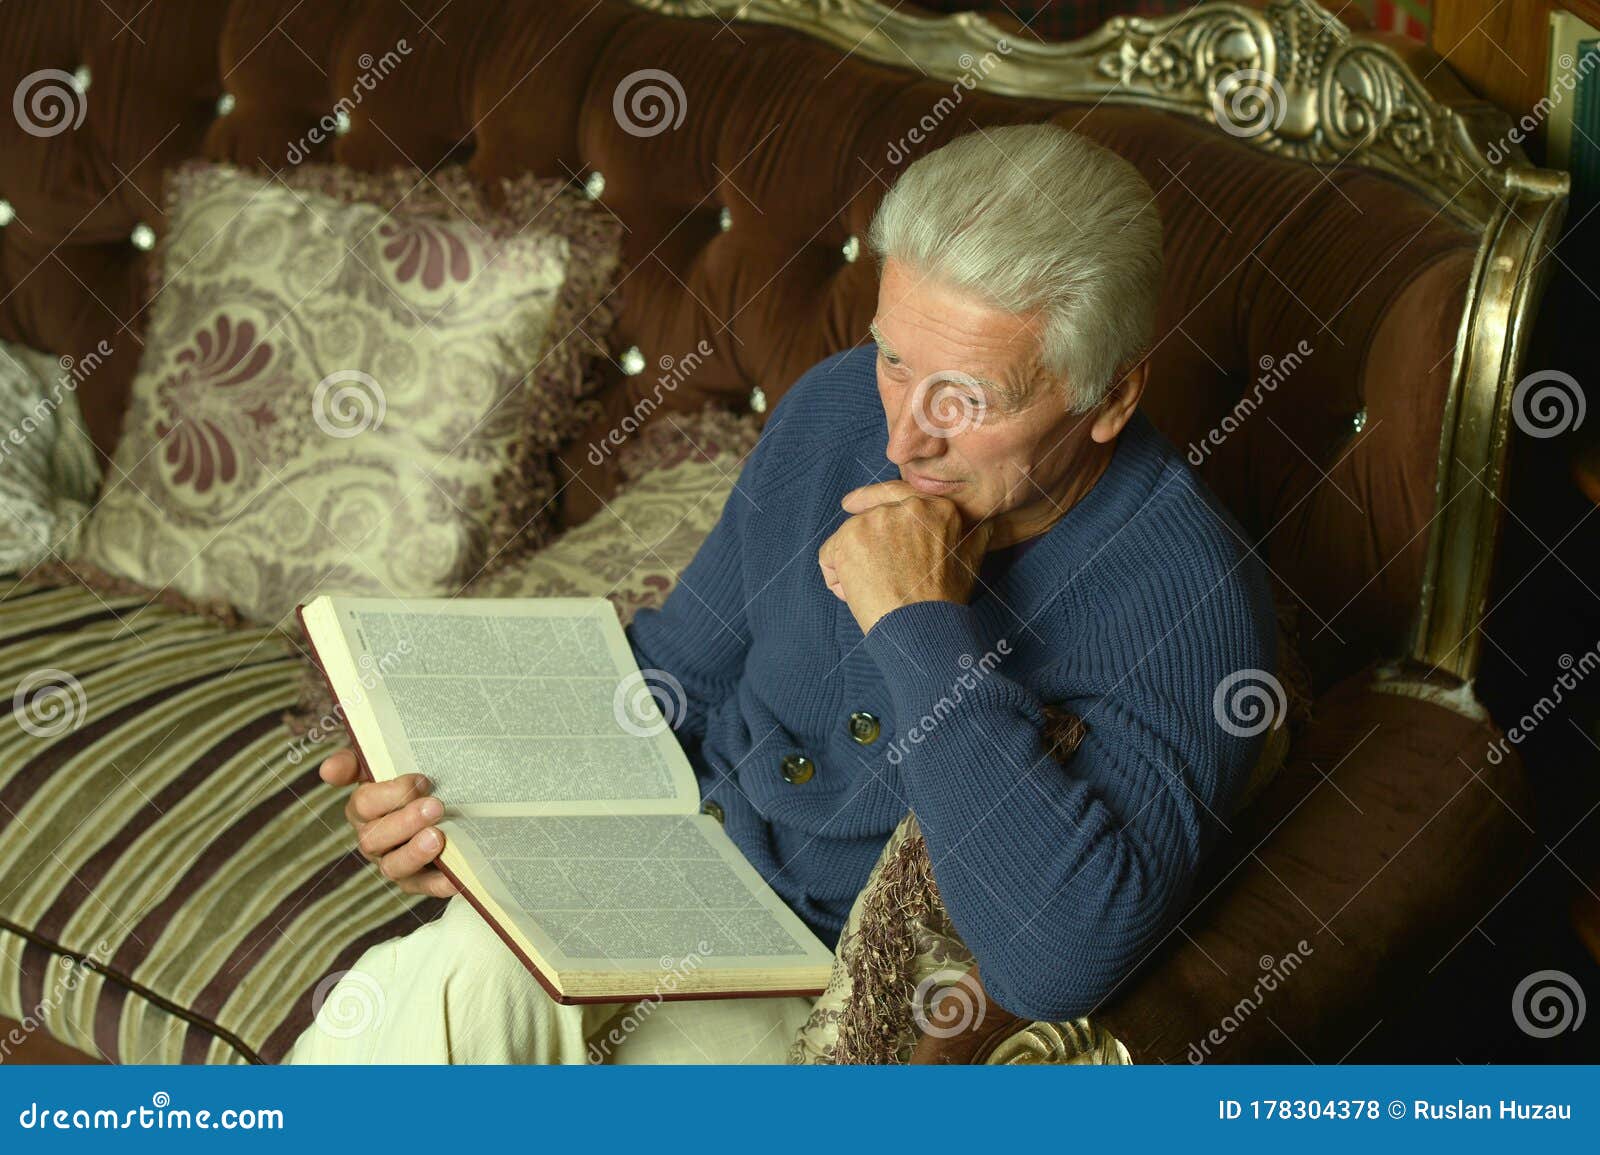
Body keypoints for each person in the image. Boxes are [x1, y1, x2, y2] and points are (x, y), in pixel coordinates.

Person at [284, 123, 1276, 1064]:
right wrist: (457, 802)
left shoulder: (1193, 607)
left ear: (1111, 396)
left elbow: (1053, 962)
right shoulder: (838, 406)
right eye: (896, 360)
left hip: (826, 993)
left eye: (968, 399)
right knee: (457, 970)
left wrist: (917, 620)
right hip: (681, 874)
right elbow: (675, 678)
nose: (903, 437)